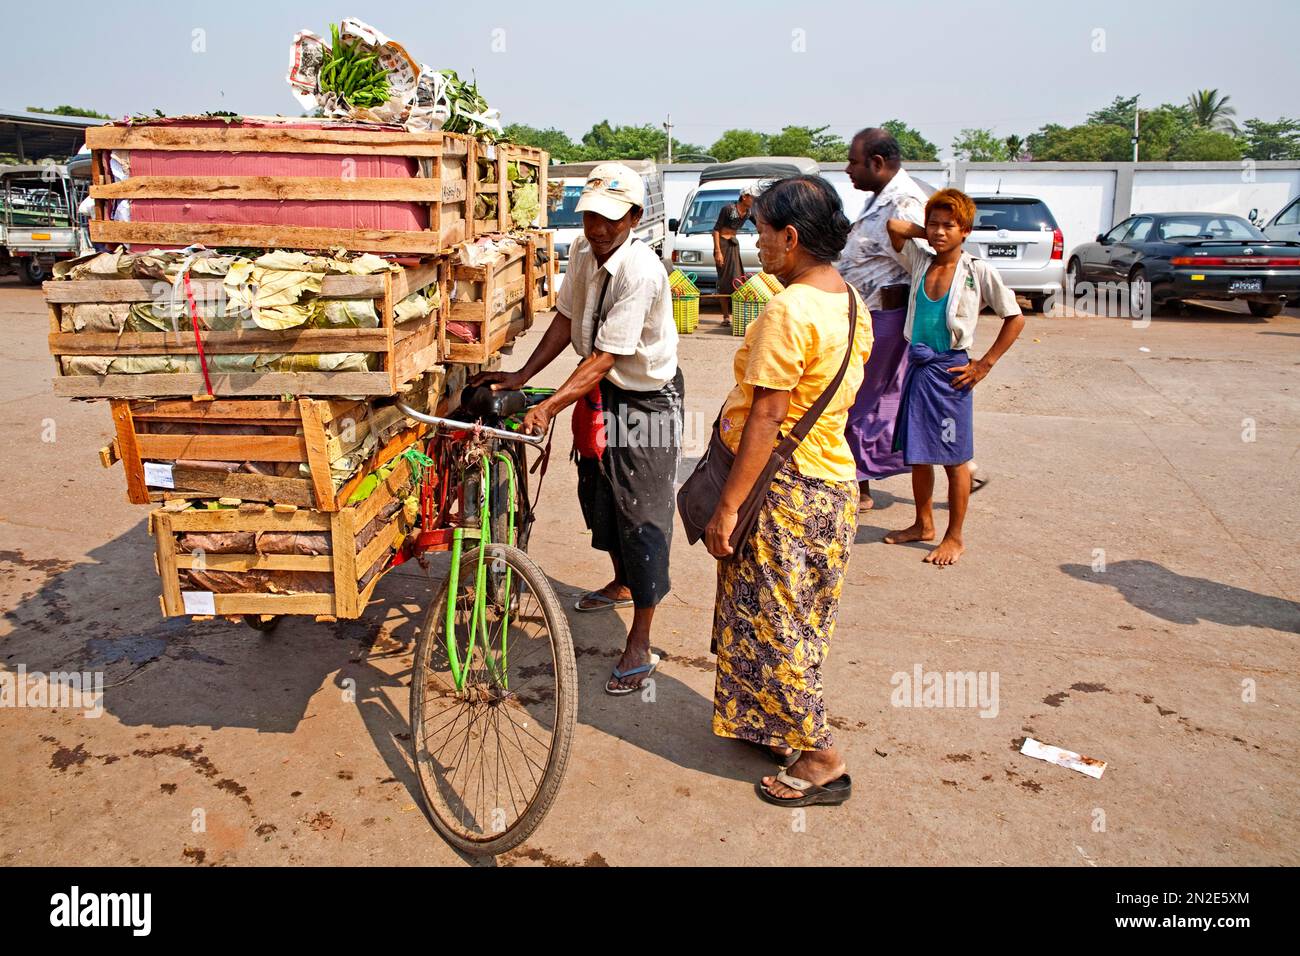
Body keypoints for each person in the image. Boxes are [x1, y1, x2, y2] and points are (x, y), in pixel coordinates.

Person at [472, 163, 683, 695]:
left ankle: (640, 639)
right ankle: (620, 582)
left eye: (611, 219)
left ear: (634, 218)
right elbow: (565, 322)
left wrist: (550, 407)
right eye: (591, 215)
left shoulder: (642, 271)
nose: (598, 227)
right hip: (600, 391)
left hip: (647, 400)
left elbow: (607, 356)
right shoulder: (584, 254)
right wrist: (521, 377)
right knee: (601, 498)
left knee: (643, 514)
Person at [703, 175, 872, 807]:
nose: (756, 242)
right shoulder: (847, 300)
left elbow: (769, 419)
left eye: (762, 232)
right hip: (834, 484)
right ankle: (772, 724)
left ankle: (822, 757)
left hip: (786, 492)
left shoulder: (788, 310)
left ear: (790, 238)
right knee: (799, 619)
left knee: (773, 624)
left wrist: (728, 505)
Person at [883, 189, 1025, 566]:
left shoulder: (977, 271)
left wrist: (984, 365)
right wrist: (924, 230)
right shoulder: (920, 262)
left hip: (951, 374)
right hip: (918, 368)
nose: (939, 232)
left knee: (954, 458)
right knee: (919, 455)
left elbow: (1015, 317)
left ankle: (955, 536)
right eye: (934, 224)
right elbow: (894, 227)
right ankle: (922, 523)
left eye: (950, 225)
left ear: (966, 231)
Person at [837, 128, 928, 511]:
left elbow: (933, 261)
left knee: (860, 397)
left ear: (877, 163)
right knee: (866, 398)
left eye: (854, 162)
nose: (847, 169)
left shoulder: (904, 204)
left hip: (886, 318)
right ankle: (861, 480)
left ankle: (857, 480)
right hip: (869, 314)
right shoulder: (880, 198)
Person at [712, 188, 755, 321]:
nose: (754, 200)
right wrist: (717, 251)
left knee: (738, 279)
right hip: (723, 245)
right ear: (744, 197)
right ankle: (725, 317)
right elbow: (716, 230)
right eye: (751, 197)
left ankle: (738, 315)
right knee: (724, 281)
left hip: (734, 245)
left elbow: (761, 224)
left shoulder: (748, 212)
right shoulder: (728, 209)